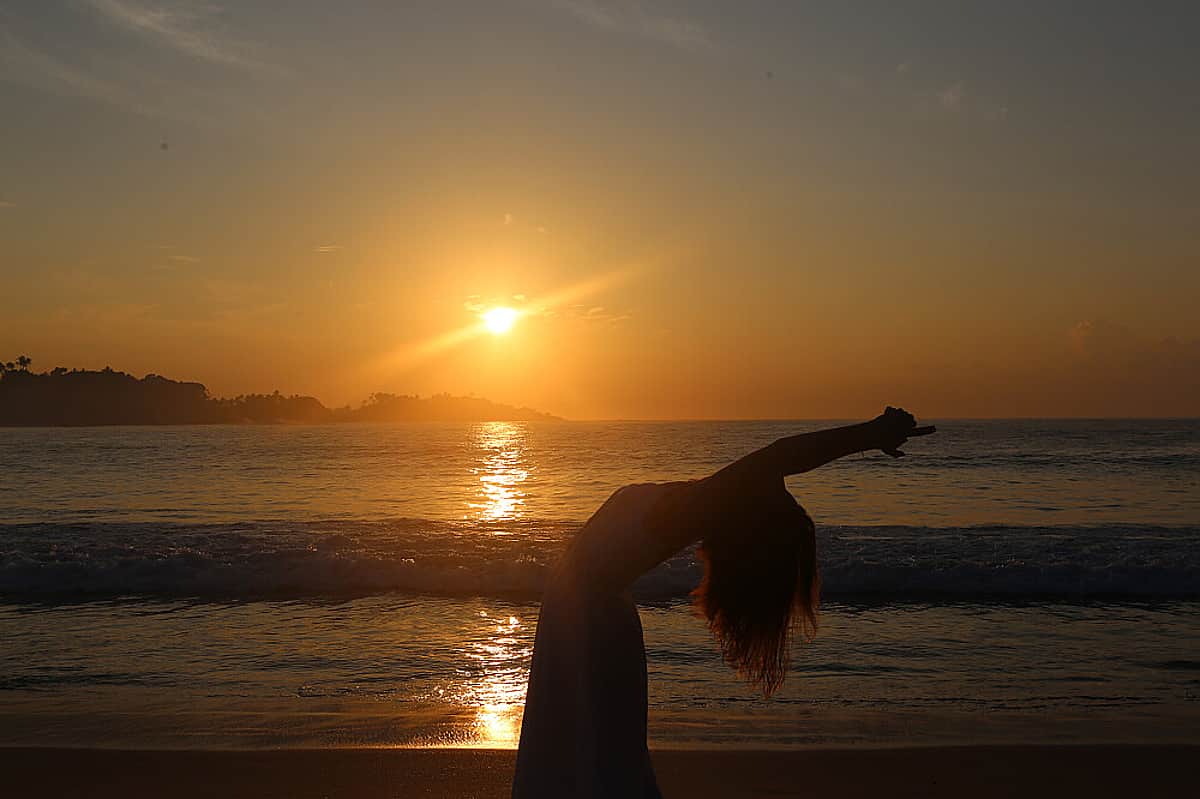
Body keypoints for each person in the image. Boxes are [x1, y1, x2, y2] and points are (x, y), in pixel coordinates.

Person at [511, 407, 936, 797]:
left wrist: (869, 436)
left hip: (587, 624)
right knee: (599, 765)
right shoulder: (687, 509)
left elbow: (770, 464)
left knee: (594, 761)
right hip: (589, 630)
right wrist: (868, 434)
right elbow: (776, 458)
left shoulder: (683, 511)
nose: (773, 488)